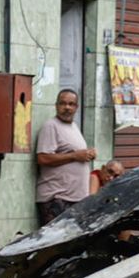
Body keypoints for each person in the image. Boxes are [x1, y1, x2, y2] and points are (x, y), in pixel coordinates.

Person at [35, 88, 94, 225]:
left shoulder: (74, 126)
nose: (67, 107)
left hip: (75, 198)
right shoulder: (51, 126)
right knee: (55, 243)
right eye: (63, 103)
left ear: (76, 107)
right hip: (57, 198)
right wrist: (75, 156)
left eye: (71, 104)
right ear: (56, 106)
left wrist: (88, 154)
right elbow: (42, 158)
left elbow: (75, 154)